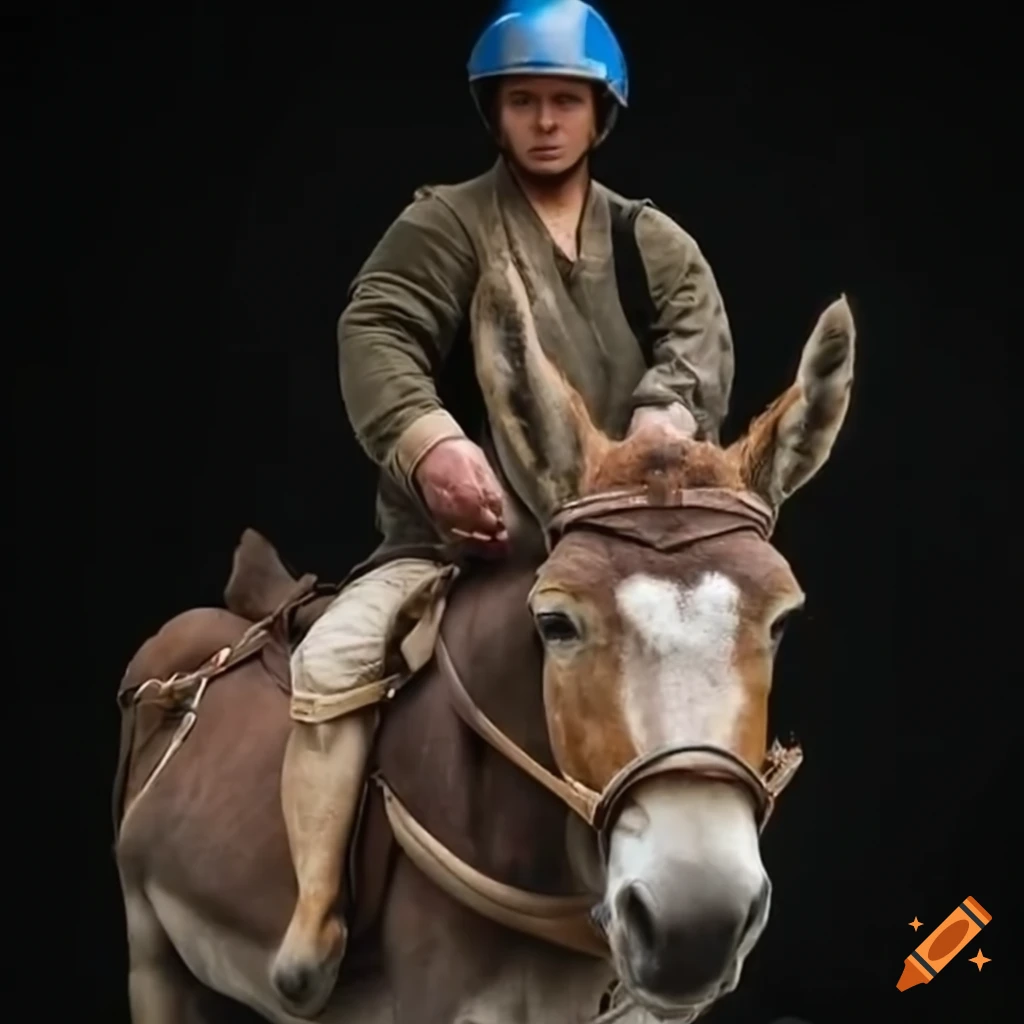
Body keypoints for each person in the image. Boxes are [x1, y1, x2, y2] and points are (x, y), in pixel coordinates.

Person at [269, 0, 736, 1014]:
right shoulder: (448, 221)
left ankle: (678, 914)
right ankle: (315, 908)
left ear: (598, 112)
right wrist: (429, 444)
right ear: (495, 111)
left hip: (610, 553)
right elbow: (379, 326)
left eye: (563, 100)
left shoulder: (643, 234)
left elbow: (698, 329)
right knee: (334, 659)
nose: (543, 121)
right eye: (522, 100)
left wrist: (664, 413)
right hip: (469, 542)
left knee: (702, 668)